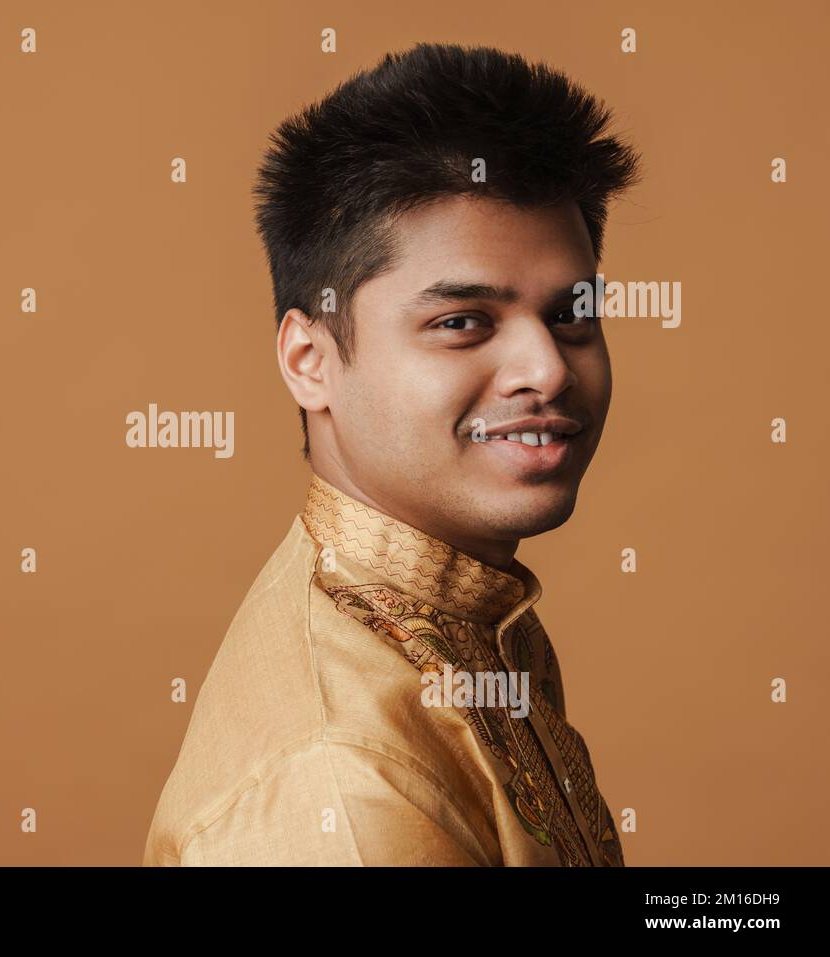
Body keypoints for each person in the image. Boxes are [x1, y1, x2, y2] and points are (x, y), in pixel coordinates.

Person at [143, 42, 640, 866]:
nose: (548, 369)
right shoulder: (343, 787)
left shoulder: (472, 617)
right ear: (310, 360)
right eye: (462, 322)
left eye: (571, 317)